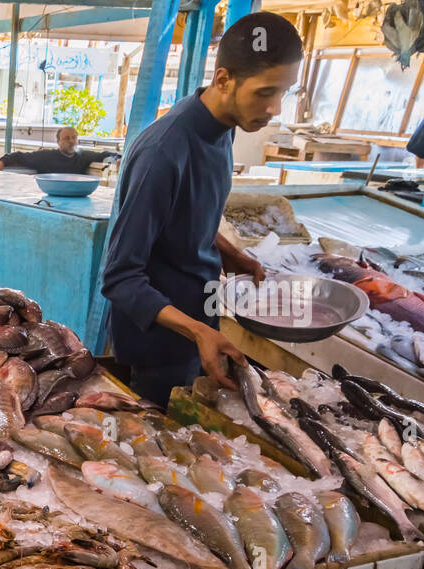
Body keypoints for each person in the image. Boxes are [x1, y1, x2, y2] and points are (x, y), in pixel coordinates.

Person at [100, 11, 302, 407]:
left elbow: (187, 217)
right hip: (158, 348)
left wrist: (232, 255)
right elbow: (120, 277)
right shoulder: (164, 151)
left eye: (284, 91)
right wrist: (197, 332)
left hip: (198, 327)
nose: (276, 107)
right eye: (265, 92)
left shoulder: (224, 129)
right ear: (223, 79)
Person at [0, 126, 117, 173]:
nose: (71, 141)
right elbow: (18, 156)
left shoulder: (83, 156)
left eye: (74, 138)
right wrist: (1, 162)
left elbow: (105, 155)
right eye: (67, 138)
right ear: (58, 142)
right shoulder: (46, 156)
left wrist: (117, 160)